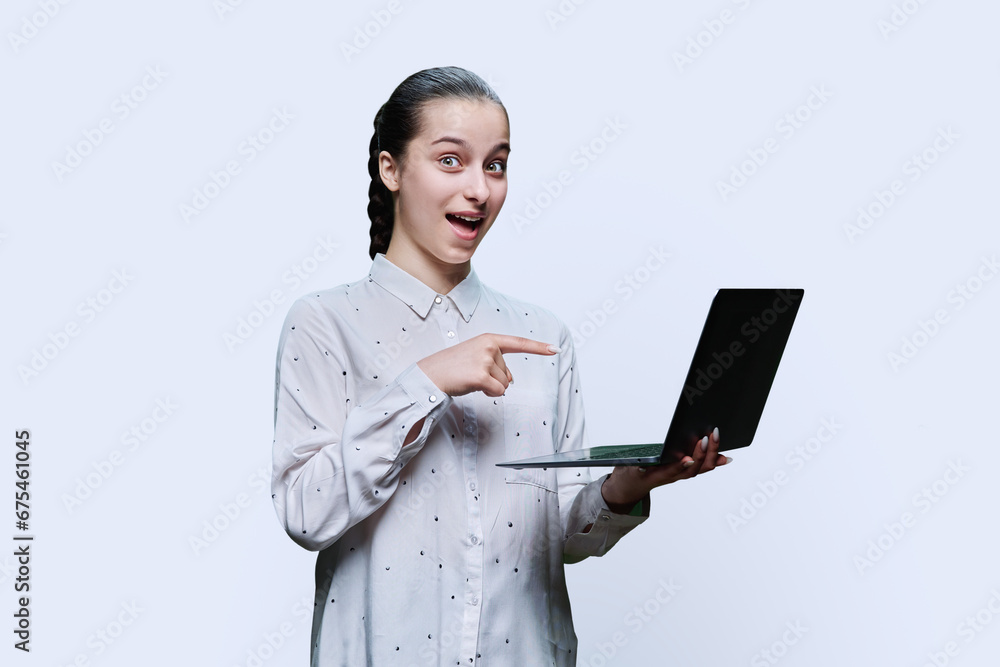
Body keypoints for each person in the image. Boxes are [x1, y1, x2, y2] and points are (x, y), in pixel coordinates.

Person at [270, 66, 730, 667]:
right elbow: (307, 513)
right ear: (391, 169)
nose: (479, 190)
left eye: (495, 164)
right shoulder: (325, 322)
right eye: (450, 161)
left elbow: (559, 536)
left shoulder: (543, 335)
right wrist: (426, 382)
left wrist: (624, 489)